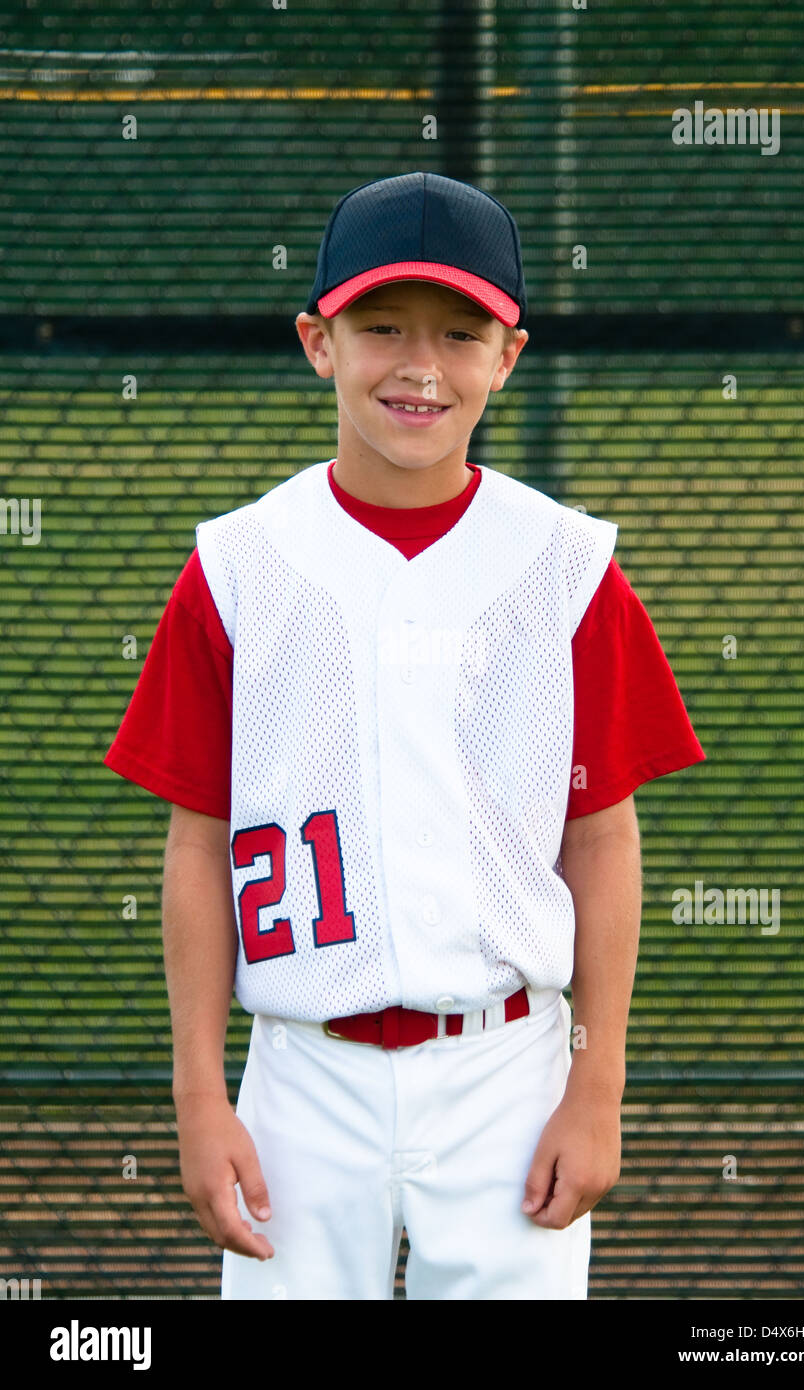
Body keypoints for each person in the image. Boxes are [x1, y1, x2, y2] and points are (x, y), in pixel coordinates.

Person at [103, 171, 706, 1300]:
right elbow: (197, 843)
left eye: (459, 331)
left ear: (506, 355)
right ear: (316, 341)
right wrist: (199, 1096)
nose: (418, 364)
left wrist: (596, 1090)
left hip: (508, 1069)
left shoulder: (566, 567)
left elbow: (603, 838)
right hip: (300, 1073)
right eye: (379, 326)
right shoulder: (237, 566)